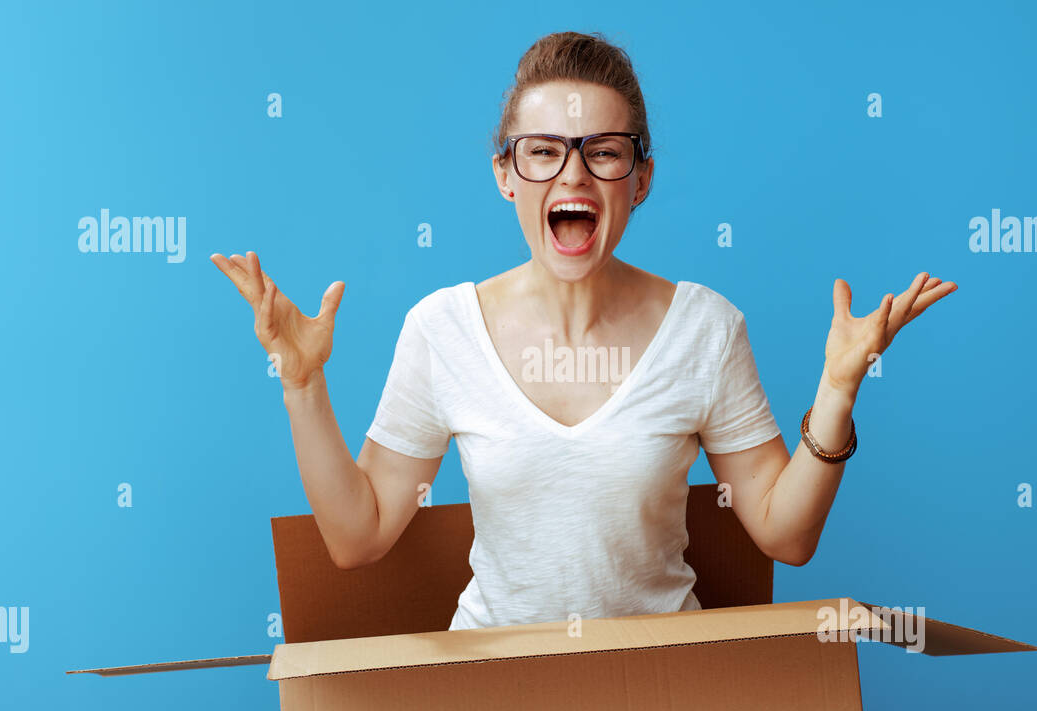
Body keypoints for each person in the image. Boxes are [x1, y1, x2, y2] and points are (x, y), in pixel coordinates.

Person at [211, 31, 956, 631]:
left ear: (641, 178)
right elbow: (357, 536)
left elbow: (784, 536)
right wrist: (302, 385)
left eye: (603, 152)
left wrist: (837, 389)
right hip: (494, 701)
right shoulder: (443, 330)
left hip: (658, 697)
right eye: (543, 152)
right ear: (506, 174)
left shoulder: (706, 328)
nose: (572, 178)